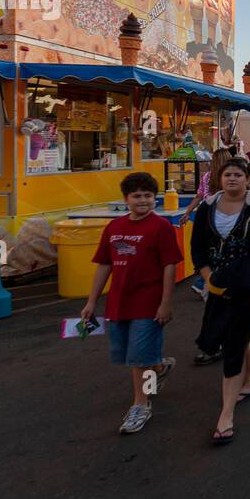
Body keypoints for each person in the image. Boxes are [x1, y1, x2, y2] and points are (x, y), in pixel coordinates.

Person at [80, 172, 182, 435]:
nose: (143, 201)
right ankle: (159, 365)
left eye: (148, 196)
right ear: (125, 199)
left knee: (138, 360)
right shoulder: (114, 228)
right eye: (137, 196)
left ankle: (141, 403)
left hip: (148, 303)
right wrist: (92, 302)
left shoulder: (161, 227)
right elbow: (105, 265)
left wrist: (166, 303)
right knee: (131, 354)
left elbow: (170, 266)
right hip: (119, 302)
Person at [191, 157, 250, 446]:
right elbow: (198, 246)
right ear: (220, 178)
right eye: (228, 174)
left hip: (245, 286)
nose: (232, 179)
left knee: (233, 343)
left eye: (238, 175)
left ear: (247, 178)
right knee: (235, 337)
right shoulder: (207, 207)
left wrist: (241, 279)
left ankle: (225, 415)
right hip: (215, 286)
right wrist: (209, 278)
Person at [182, 148, 232, 298]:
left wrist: (187, 212)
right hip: (224, 219)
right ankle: (205, 283)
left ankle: (202, 282)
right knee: (223, 252)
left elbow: (198, 197)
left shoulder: (207, 177)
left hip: (206, 220)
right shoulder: (229, 177)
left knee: (210, 251)